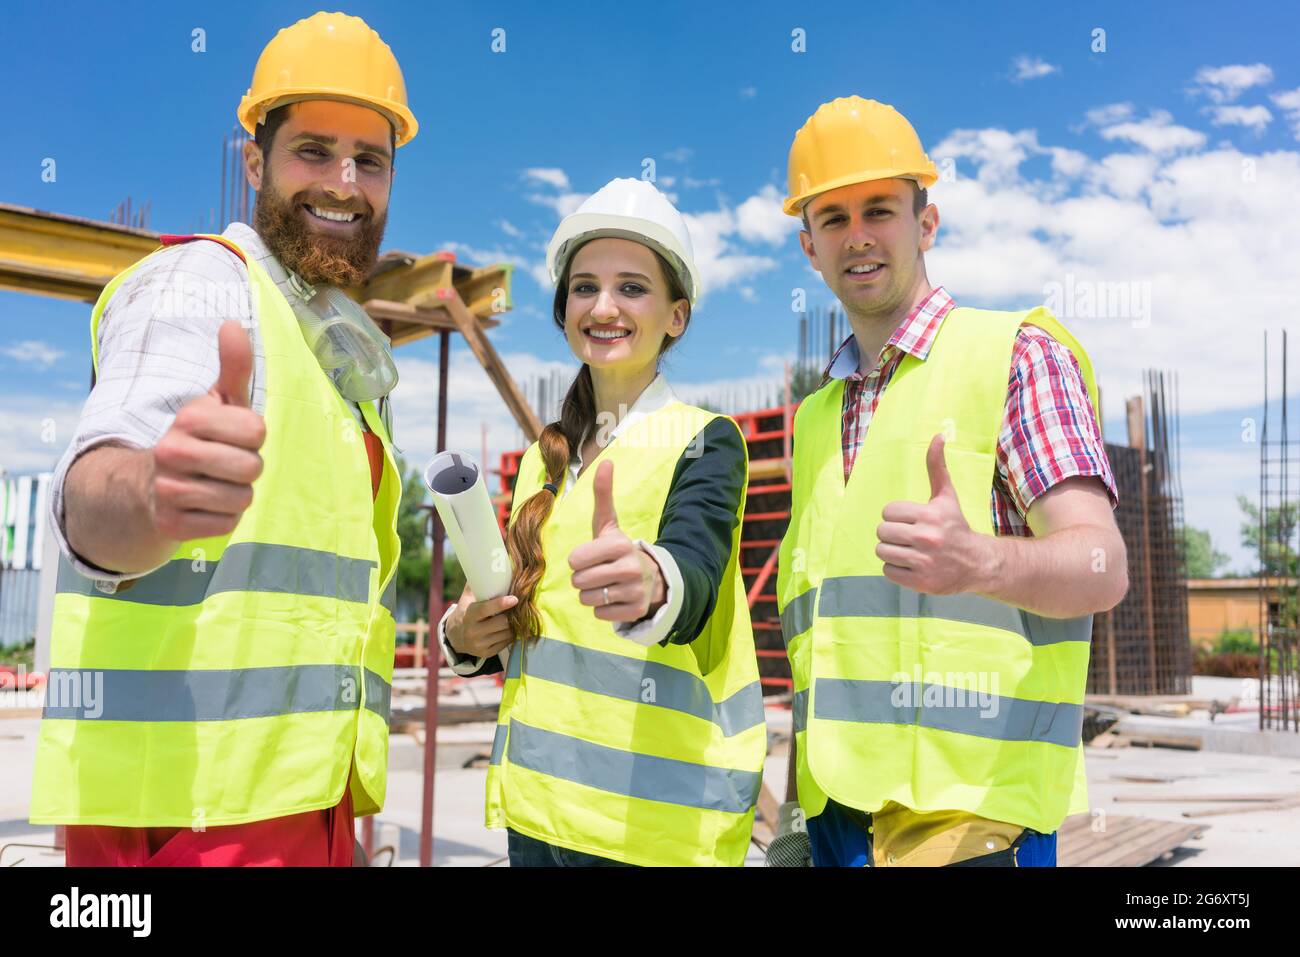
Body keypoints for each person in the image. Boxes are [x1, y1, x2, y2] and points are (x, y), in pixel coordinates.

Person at [29, 11, 416, 866]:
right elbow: (93, 492)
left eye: (371, 159)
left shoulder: (331, 350)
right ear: (255, 161)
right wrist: (154, 496)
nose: (345, 182)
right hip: (181, 824)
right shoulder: (200, 285)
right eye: (313, 150)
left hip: (304, 805)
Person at [774, 97, 1128, 867]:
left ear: (925, 225)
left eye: (880, 210)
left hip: (976, 826)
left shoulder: (1017, 357)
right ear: (809, 246)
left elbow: (1104, 566)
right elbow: (825, 641)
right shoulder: (813, 419)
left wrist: (983, 562)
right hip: (838, 824)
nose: (857, 235)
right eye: (833, 218)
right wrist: (799, 816)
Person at [440, 178, 767, 867]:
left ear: (676, 316)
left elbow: (697, 570)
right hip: (539, 813)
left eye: (632, 288)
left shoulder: (706, 438)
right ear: (563, 313)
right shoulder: (542, 459)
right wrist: (463, 636)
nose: (605, 306)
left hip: (656, 833)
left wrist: (653, 581)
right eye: (584, 288)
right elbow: (528, 620)